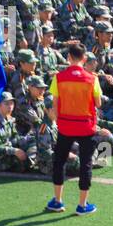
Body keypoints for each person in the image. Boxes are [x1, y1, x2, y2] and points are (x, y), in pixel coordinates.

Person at [46, 43, 100, 215]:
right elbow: (98, 103)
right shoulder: (92, 79)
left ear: (68, 57)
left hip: (65, 126)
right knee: (86, 164)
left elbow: (55, 104)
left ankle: (58, 201)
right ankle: (82, 205)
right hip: (86, 126)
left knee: (59, 162)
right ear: (84, 59)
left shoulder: (59, 77)